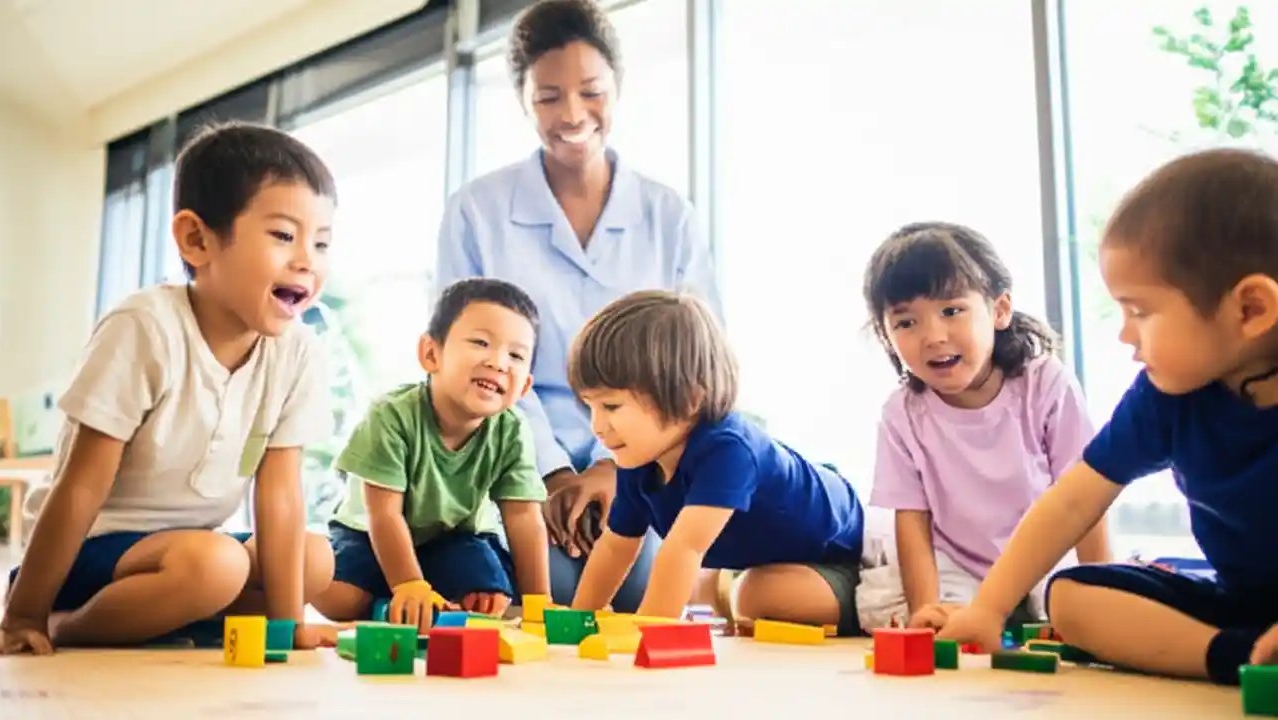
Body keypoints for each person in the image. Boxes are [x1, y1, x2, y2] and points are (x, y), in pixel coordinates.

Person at [939, 148, 1278, 686]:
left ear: (1251, 309)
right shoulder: (1167, 396)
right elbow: (1074, 499)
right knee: (1071, 597)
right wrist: (989, 606)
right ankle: (1238, 658)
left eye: (1140, 311)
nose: (1124, 333)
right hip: (1239, 604)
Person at [0, 122, 338, 654]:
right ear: (197, 240)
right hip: (88, 553)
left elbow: (280, 494)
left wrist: (288, 625)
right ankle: (73, 625)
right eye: (283, 235)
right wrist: (25, 612)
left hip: (186, 552)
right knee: (216, 565)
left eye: (321, 242)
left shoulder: (297, 351)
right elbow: (80, 483)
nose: (307, 261)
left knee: (314, 557)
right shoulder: (145, 326)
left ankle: (165, 618)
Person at [434, 0, 721, 611]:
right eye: (547, 97)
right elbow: (467, 362)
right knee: (554, 592)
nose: (572, 115)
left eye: (591, 92)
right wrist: (552, 472)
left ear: (618, 87)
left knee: (637, 581)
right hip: (513, 452)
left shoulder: (668, 215)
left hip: (641, 455)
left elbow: (700, 362)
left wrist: (614, 467)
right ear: (523, 101)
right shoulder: (476, 211)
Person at [568, 291, 865, 633]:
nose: (596, 426)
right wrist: (576, 622)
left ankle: (859, 603)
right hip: (760, 557)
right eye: (589, 406)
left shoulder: (730, 449)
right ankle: (728, 588)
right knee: (698, 583)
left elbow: (683, 548)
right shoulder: (639, 458)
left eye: (611, 407)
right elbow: (615, 546)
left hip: (840, 562)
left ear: (690, 400)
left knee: (754, 596)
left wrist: (646, 637)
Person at [860, 222, 1109, 630]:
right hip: (957, 560)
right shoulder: (901, 412)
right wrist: (927, 609)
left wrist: (1103, 587)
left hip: (1046, 553)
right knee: (887, 608)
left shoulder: (1044, 382)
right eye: (906, 323)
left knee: (1078, 611)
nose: (933, 336)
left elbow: (1089, 493)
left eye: (951, 311)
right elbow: (913, 519)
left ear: (999, 310)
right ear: (885, 334)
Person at [312, 278, 551, 630]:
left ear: (525, 386)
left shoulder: (512, 429)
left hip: (453, 537)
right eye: (481, 342)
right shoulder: (392, 415)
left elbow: (524, 518)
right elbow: (384, 515)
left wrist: (538, 603)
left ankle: (417, 602)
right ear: (431, 354)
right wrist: (409, 585)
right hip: (369, 533)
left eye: (516, 355)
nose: (499, 362)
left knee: (489, 599)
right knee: (337, 599)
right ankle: (395, 602)